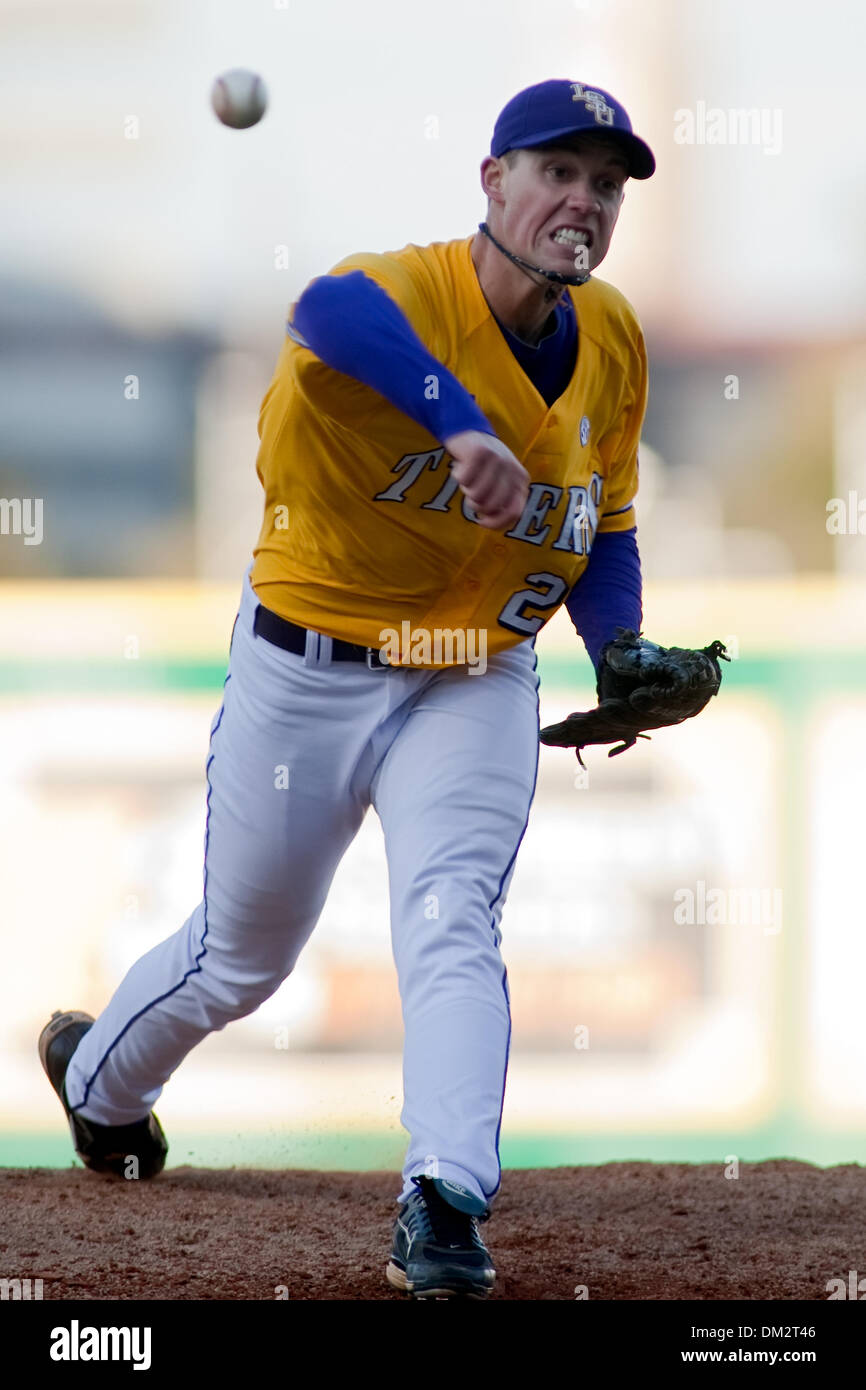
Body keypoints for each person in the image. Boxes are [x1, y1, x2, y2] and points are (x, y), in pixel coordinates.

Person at [39, 78, 655, 1301]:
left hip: (470, 677)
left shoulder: (614, 339)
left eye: (603, 182)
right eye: (555, 171)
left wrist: (622, 646)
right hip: (308, 667)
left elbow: (605, 520)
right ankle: (100, 1083)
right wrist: (459, 421)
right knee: (240, 956)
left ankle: (442, 1199)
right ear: (492, 184)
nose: (580, 200)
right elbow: (322, 311)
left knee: (448, 919)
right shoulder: (407, 290)